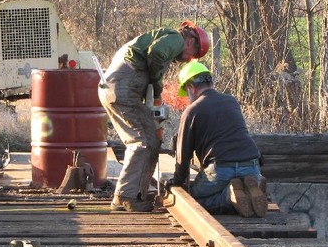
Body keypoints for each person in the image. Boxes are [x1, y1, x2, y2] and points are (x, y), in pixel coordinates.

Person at [99, 21, 210, 212]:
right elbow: (157, 53)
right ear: (191, 42)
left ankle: (136, 194)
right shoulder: (176, 39)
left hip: (114, 89)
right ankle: (126, 196)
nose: (188, 60)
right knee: (144, 140)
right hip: (123, 88)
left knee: (148, 139)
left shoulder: (156, 37)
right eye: (193, 55)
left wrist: (154, 94)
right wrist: (157, 83)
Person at [165, 61, 267, 217]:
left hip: (221, 169)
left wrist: (178, 181)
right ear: (210, 82)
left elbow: (183, 154)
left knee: (193, 200)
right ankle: (251, 187)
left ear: (191, 88)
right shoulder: (231, 101)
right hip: (251, 165)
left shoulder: (192, 111)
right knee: (240, 184)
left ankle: (229, 196)